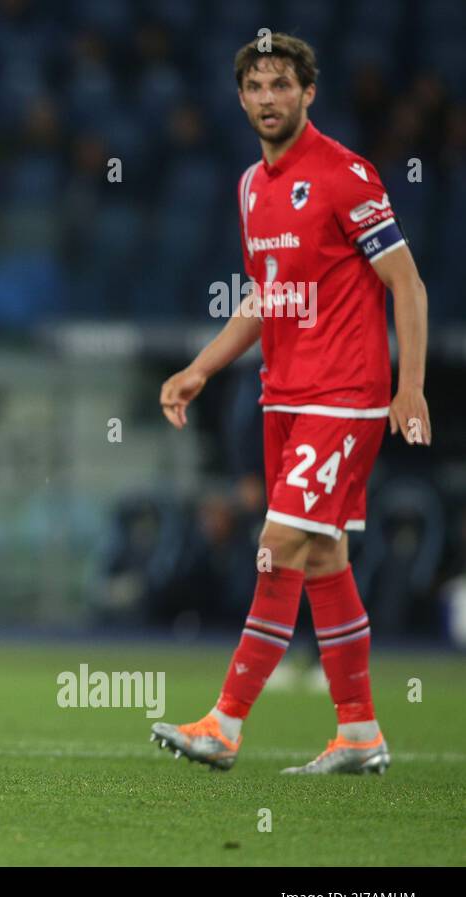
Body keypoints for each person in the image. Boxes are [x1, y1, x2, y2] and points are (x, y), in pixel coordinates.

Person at [153, 33, 430, 774]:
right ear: (241, 98)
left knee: (276, 550)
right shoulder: (251, 186)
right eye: (255, 86)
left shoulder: (346, 175)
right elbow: (266, 296)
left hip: (346, 394)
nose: (268, 98)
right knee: (324, 561)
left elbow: (407, 283)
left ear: (310, 93)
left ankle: (225, 723)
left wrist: (409, 387)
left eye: (282, 84)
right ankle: (359, 732)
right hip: (284, 398)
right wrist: (201, 369)